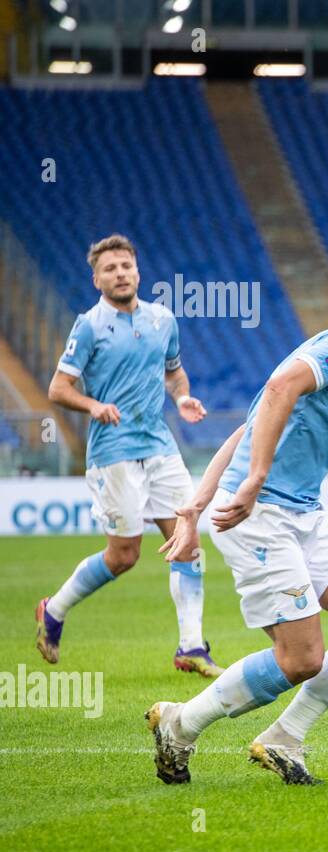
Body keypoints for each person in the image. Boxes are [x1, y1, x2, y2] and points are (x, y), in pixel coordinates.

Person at [146, 260, 328, 785]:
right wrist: (254, 480)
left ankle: (284, 738)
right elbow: (281, 385)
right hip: (262, 515)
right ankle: (181, 723)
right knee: (302, 656)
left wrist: (195, 503)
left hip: (303, 510)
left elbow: (253, 419)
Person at [37, 234, 219, 676]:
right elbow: (58, 388)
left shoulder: (162, 319)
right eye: (110, 269)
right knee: (124, 555)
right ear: (97, 279)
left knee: (188, 539)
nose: (120, 273)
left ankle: (191, 647)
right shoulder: (90, 325)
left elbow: (174, 373)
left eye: (126, 266)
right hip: (114, 452)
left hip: (159, 445)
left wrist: (182, 399)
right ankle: (54, 609)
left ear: (138, 271)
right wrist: (93, 405)